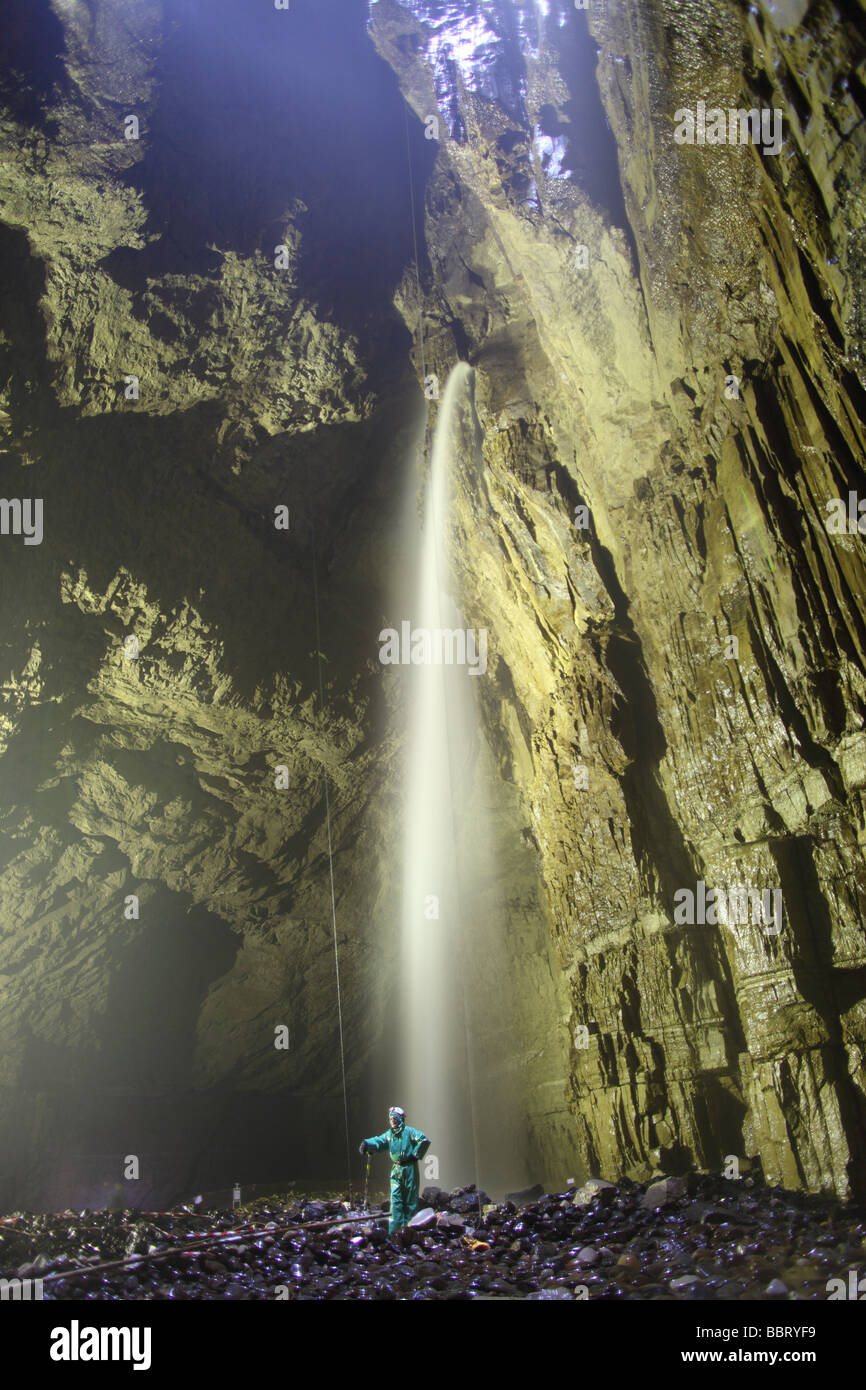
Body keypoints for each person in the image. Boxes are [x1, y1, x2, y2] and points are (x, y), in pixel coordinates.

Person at [359, 1106, 430, 1234]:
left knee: (410, 1200)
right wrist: (367, 1144)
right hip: (396, 1168)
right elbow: (379, 1141)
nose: (393, 1121)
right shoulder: (390, 1135)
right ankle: (394, 1231)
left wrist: (415, 1154)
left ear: (400, 1119)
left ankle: (409, 1230)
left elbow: (424, 1140)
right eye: (391, 1118)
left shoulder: (409, 1132)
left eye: (395, 1118)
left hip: (410, 1169)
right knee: (396, 1199)